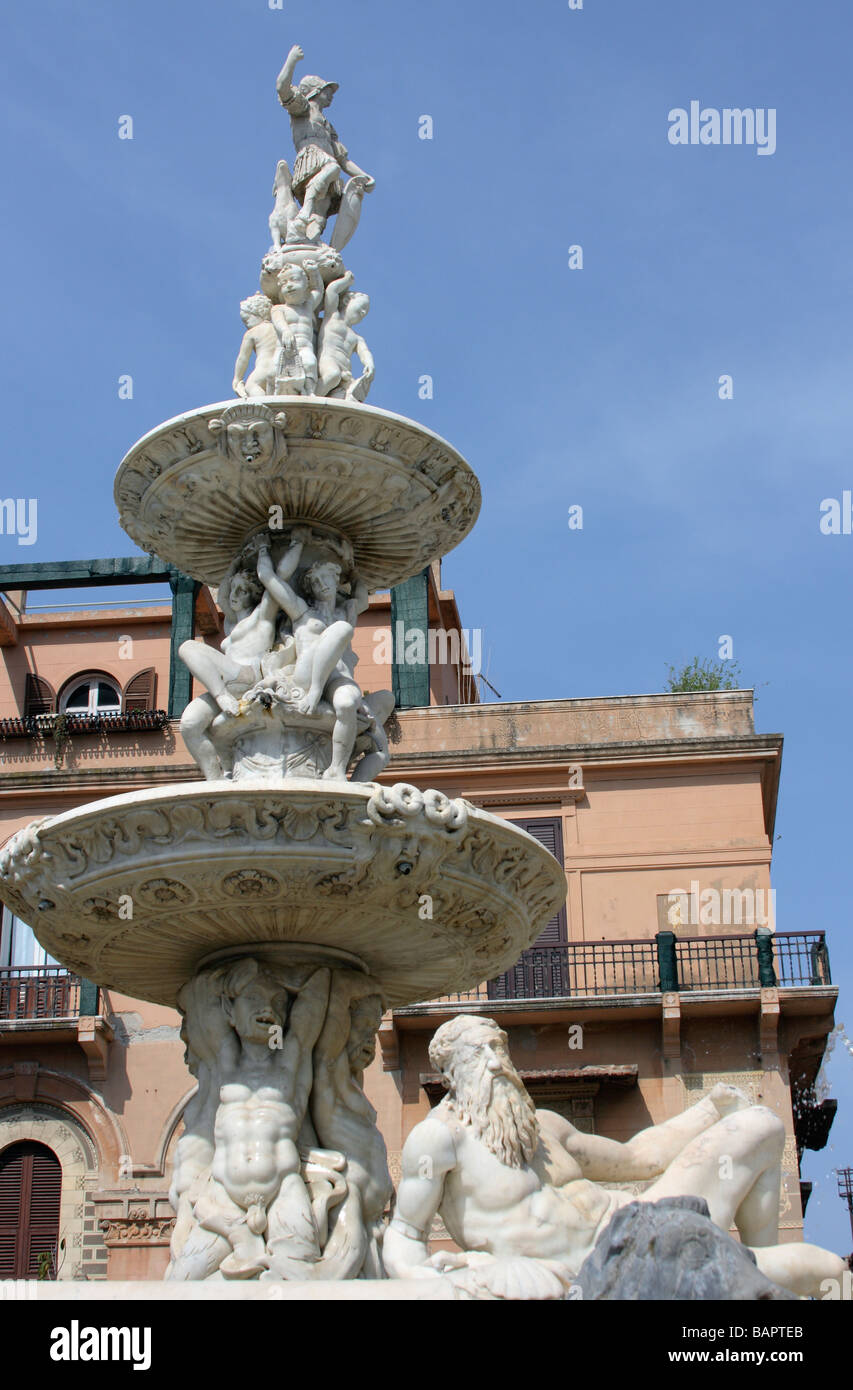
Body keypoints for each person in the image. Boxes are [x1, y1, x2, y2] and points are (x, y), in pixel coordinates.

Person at [383, 1015, 848, 1299]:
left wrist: (709, 1109)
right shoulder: (438, 1140)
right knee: (824, 1270)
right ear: (449, 1071)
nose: (495, 1063)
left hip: (644, 1218)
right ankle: (748, 1273)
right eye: (478, 1054)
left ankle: (750, 1280)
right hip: (610, 1264)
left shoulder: (542, 1125)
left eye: (499, 1049)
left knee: (762, 1126)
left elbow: (638, 1157)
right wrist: (429, 1279)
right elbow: (404, 1234)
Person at [178, 534, 305, 780]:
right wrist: (235, 564)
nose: (234, 596)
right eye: (234, 590)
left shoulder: (262, 616)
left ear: (253, 595)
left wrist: (265, 549)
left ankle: (221, 697)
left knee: (187, 647)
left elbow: (279, 576)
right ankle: (216, 783)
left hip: (245, 677)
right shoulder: (231, 627)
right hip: (226, 683)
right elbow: (224, 594)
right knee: (190, 726)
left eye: (242, 591)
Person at [275, 44, 374, 247]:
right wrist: (292, 60)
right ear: (315, 92)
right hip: (312, 161)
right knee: (332, 167)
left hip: (328, 173)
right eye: (326, 91)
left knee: (319, 215)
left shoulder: (328, 126)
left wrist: (363, 176)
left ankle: (308, 240)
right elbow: (282, 88)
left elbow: (343, 159)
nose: (331, 94)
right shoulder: (302, 109)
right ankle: (306, 206)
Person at [318, 270, 374, 401]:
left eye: (365, 312)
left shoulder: (356, 337)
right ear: (348, 300)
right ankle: (312, 396)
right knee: (332, 375)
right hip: (328, 361)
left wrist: (369, 364)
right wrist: (347, 280)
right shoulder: (332, 316)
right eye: (361, 307)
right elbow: (331, 291)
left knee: (350, 398)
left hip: (346, 372)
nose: (363, 312)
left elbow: (364, 352)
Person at [231, 294, 279, 399]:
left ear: (259, 313)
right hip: (280, 367)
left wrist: (237, 378)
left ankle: (265, 405)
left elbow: (243, 358)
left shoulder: (252, 332)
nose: (247, 325)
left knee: (252, 386)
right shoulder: (278, 328)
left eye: (247, 320)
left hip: (263, 368)